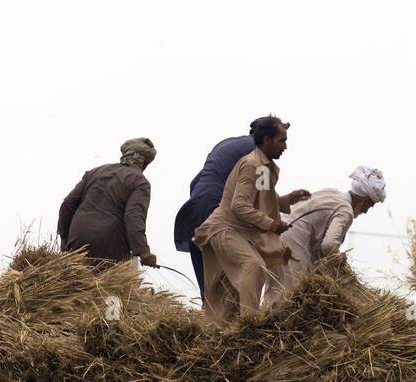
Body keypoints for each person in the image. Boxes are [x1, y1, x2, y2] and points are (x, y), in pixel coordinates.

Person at [191, 115, 310, 324]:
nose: (285, 146)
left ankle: (223, 334)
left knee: (230, 299)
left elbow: (263, 199)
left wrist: (287, 199)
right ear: (266, 140)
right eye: (281, 140)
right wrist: (270, 224)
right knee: (253, 265)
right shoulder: (251, 164)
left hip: (241, 231)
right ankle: (250, 326)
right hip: (225, 228)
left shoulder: (265, 167)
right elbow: (240, 206)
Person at [262, 165, 386, 306]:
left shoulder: (332, 193)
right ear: (363, 201)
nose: (366, 211)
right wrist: (339, 260)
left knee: (274, 291)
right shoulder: (346, 211)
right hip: (292, 243)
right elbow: (329, 245)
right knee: (287, 297)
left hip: (273, 232)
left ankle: (258, 325)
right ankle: (267, 327)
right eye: (369, 206)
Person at [174, 131, 256, 299]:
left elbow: (194, 182)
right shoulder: (257, 151)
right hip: (215, 210)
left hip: (194, 211)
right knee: (235, 285)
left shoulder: (224, 145)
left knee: (209, 291)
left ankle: (210, 319)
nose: (284, 146)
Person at [57, 138, 158, 268]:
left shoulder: (95, 172)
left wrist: (64, 238)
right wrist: (143, 252)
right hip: (110, 243)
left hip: (77, 237)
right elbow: (133, 217)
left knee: (78, 283)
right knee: (116, 285)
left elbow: (68, 203)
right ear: (144, 162)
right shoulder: (140, 182)